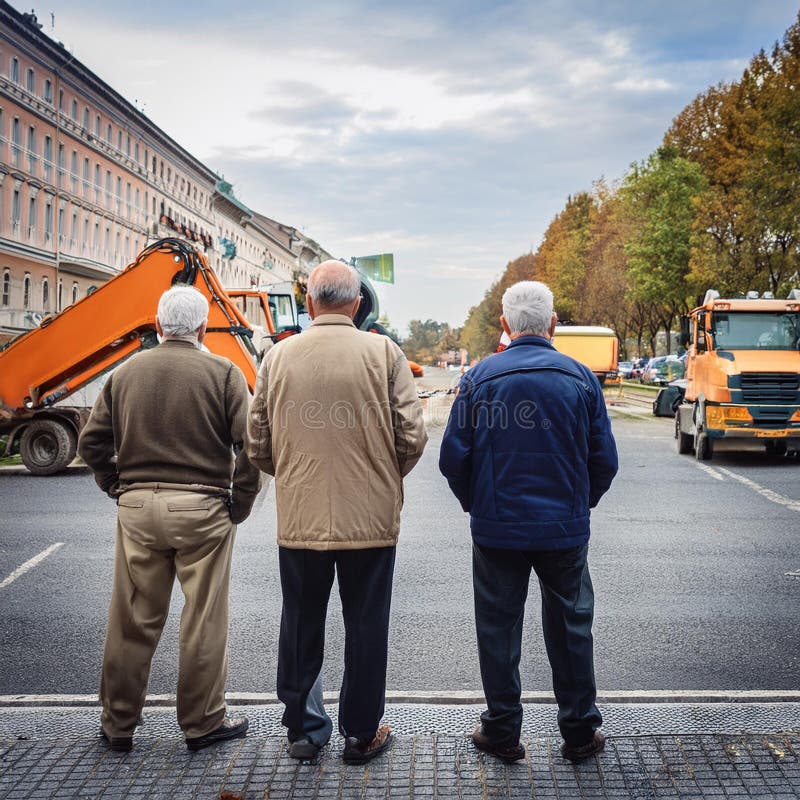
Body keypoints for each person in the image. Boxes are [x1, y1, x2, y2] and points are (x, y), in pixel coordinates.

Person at [246, 260, 427, 764]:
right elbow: (412, 437)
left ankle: (304, 730)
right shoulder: (384, 353)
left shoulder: (278, 357)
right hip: (370, 521)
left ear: (309, 302)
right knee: (367, 626)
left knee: (301, 623)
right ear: (356, 305)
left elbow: (257, 441)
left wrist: (295, 476)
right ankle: (360, 733)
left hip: (301, 519)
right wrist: (382, 478)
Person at [439, 280, 618, 764]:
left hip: (499, 529)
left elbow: (453, 459)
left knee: (498, 629)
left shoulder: (480, 378)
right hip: (564, 527)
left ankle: (501, 730)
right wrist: (581, 503)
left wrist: (478, 505)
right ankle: (580, 732)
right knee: (572, 626)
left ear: (504, 325)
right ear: (553, 324)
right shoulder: (581, 379)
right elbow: (605, 461)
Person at [78, 285, 261, 752]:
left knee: (131, 619)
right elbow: (252, 449)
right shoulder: (224, 373)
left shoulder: (125, 374)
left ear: (158, 326)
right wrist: (238, 504)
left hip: (138, 507)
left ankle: (117, 725)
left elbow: (91, 445)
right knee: (202, 619)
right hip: (202, 508)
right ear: (203, 328)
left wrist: (116, 485)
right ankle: (202, 724)